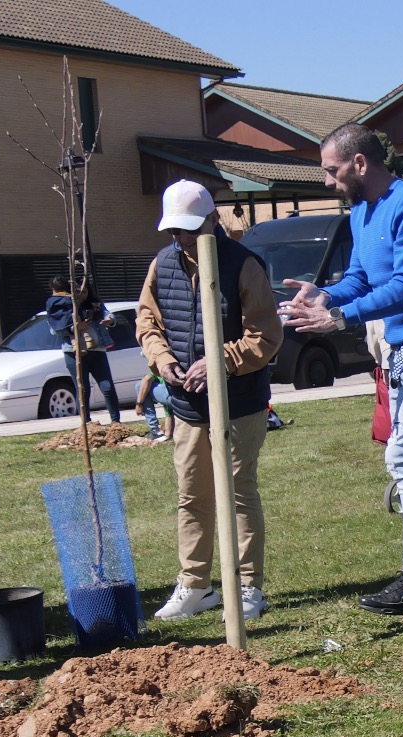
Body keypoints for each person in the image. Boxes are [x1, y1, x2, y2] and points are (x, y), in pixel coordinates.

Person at [282, 124, 403, 617]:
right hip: (402, 346)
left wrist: (341, 316)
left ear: (360, 163)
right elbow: (363, 278)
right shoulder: (361, 211)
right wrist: (324, 294)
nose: (326, 181)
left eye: (331, 170)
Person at [137, 180, 284, 623]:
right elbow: (148, 321)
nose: (181, 238)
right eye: (174, 231)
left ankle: (247, 588)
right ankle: (195, 586)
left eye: (188, 229)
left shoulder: (244, 265)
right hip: (186, 407)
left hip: (240, 402)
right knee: (191, 496)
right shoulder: (162, 265)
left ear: (212, 220)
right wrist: (161, 360)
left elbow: (267, 335)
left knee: (238, 494)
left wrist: (220, 359)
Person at [43, 275, 124, 426]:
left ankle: (116, 422)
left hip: (97, 350)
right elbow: (55, 331)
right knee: (83, 388)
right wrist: (75, 327)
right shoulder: (64, 307)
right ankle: (86, 424)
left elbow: (109, 315)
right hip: (74, 352)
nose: (82, 294)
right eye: (78, 291)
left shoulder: (95, 304)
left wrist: (110, 320)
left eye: (85, 291)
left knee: (107, 386)